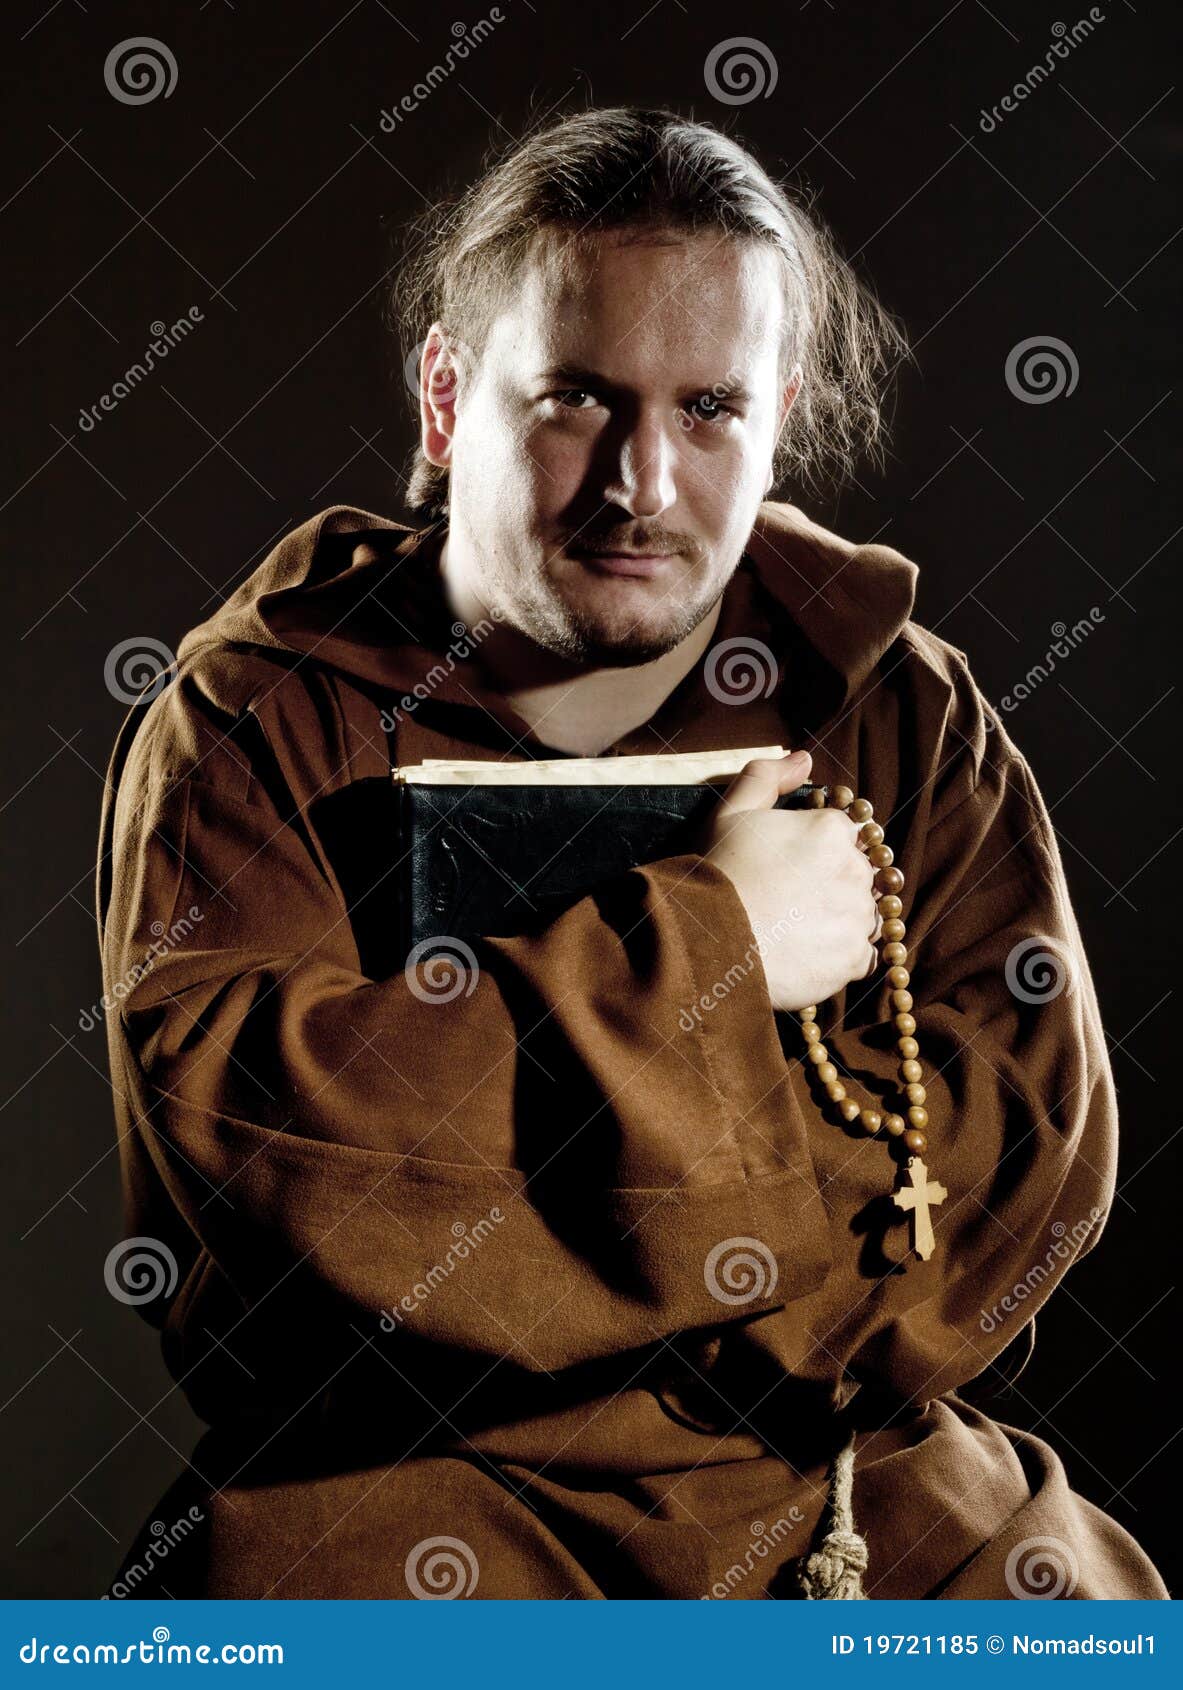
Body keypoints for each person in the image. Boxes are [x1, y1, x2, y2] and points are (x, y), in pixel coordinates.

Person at [96, 106, 1166, 1600]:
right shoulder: (256, 715)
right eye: (579, 400)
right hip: (403, 1482)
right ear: (446, 396)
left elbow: (1017, 1179)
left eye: (710, 410)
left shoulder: (902, 704)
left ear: (778, 412)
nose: (641, 484)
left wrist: (514, 1200)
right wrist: (719, 941)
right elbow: (274, 1174)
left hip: (837, 1475)